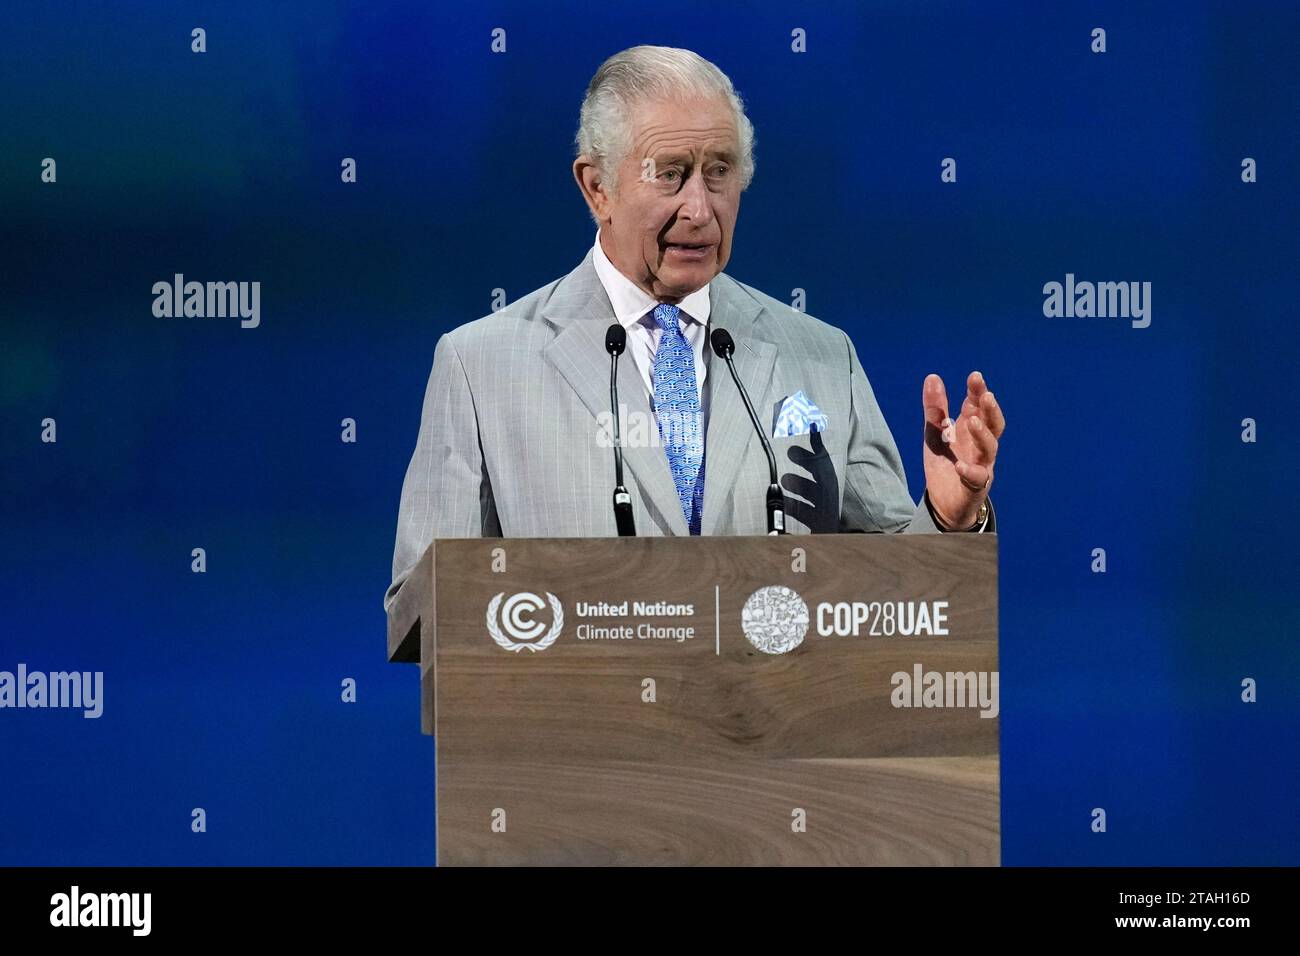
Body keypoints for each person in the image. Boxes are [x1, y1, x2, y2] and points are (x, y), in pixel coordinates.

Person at [385, 45, 1004, 615]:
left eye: (720, 172)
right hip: (580, 726)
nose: (700, 208)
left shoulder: (821, 357)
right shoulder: (483, 366)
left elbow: (895, 599)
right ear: (596, 187)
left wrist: (949, 521)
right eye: (670, 173)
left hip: (774, 729)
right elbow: (422, 607)